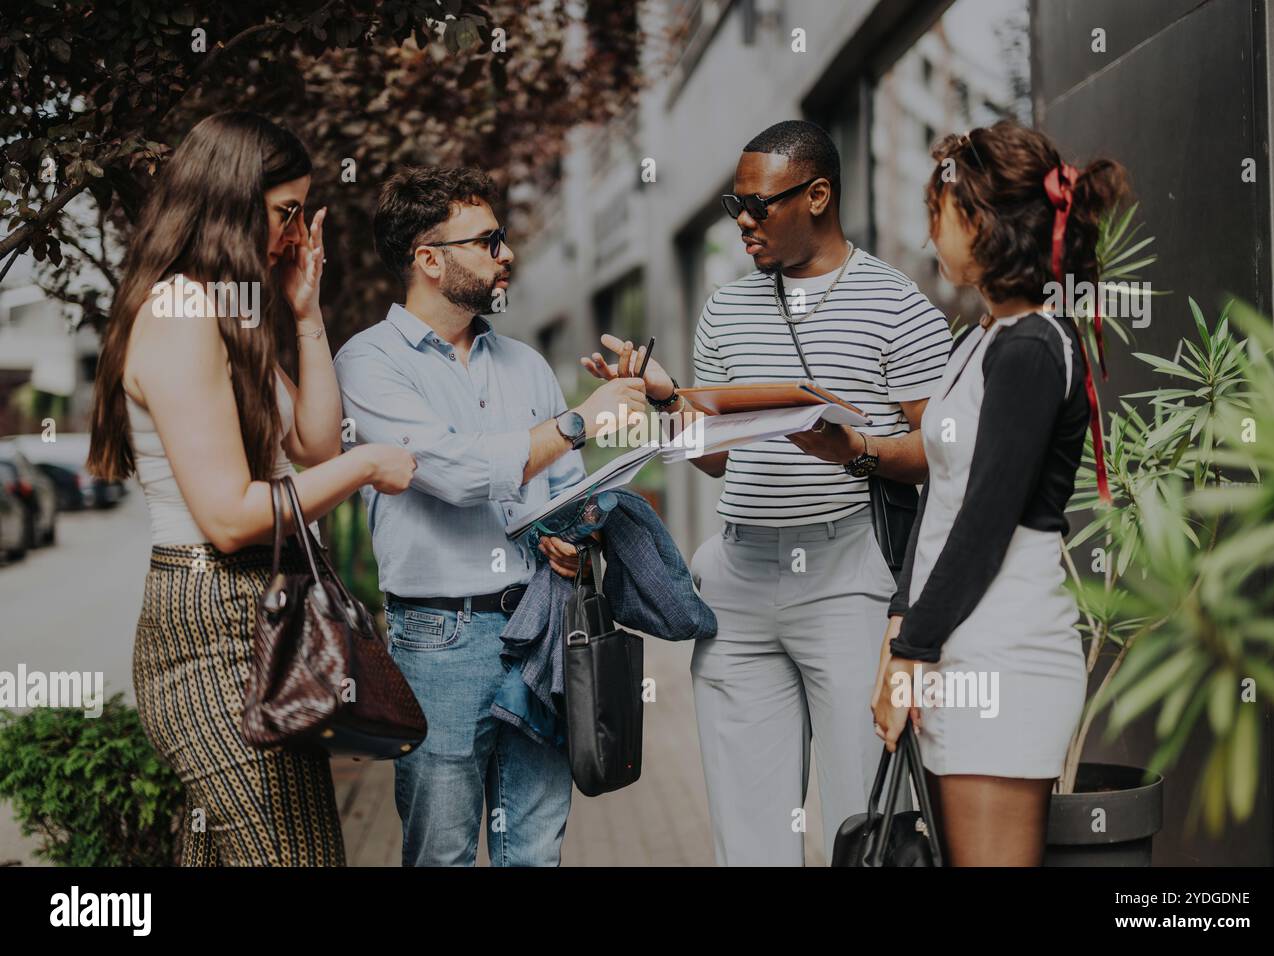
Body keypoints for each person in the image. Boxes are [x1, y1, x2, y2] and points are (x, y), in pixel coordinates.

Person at [583, 120, 951, 865]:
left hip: (849, 576)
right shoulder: (724, 308)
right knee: (749, 837)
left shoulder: (898, 304)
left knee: (865, 820)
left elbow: (944, 453)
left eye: (759, 205)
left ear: (818, 195)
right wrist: (663, 409)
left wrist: (859, 452)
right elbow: (717, 462)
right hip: (738, 579)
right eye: (733, 206)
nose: (743, 222)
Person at [87, 111, 416, 866]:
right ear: (232, 198)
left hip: (259, 622)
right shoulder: (179, 314)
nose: (297, 233)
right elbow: (233, 517)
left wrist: (305, 311)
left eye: (302, 212)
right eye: (285, 211)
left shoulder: (224, 314)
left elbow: (314, 442)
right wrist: (368, 468)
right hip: (210, 629)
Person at [334, 166, 645, 867]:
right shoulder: (367, 363)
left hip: (542, 625)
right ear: (430, 259)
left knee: (534, 851)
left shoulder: (525, 364)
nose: (506, 254)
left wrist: (571, 536)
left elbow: (557, 488)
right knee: (441, 854)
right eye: (489, 240)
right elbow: (453, 473)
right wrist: (577, 422)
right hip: (438, 639)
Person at [871, 120, 1129, 865]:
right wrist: (899, 633)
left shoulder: (1031, 349)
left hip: (1005, 655)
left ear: (979, 221)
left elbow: (985, 522)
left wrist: (910, 649)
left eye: (937, 215)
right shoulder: (985, 338)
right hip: (957, 646)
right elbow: (940, 499)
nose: (930, 236)